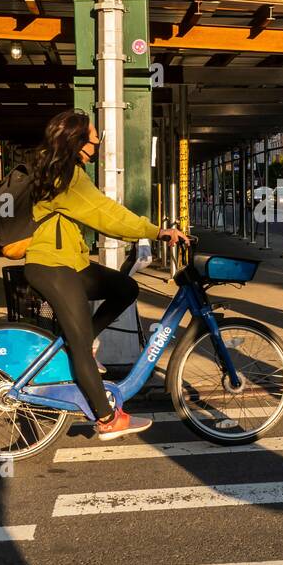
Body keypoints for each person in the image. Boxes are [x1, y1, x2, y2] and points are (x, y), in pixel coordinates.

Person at [25, 110, 190, 441]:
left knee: (124, 288)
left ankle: (88, 338)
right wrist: (156, 231)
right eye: (94, 137)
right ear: (76, 140)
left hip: (69, 263)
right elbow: (108, 215)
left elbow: (101, 211)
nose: (98, 142)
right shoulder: (67, 177)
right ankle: (106, 418)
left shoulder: (63, 171)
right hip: (52, 267)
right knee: (80, 348)